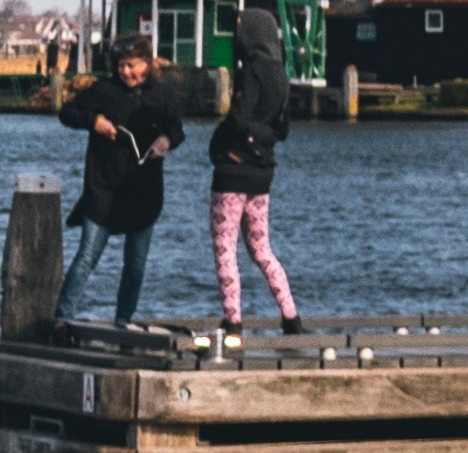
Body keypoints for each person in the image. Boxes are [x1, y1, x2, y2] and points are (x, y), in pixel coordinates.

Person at [56, 29, 185, 329]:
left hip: (144, 191)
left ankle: (123, 322)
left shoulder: (161, 96)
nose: (126, 72)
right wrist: (94, 122)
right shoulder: (103, 91)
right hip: (104, 188)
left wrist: (166, 140)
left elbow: (177, 128)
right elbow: (66, 112)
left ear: (148, 63)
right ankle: (62, 318)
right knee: (87, 257)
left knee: (136, 264)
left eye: (132, 65)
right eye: (121, 66)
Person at [208, 34, 300, 330]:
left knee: (225, 247)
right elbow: (282, 129)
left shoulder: (250, 72)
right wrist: (261, 142)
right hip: (262, 175)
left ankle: (232, 320)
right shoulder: (281, 77)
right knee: (262, 250)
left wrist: (218, 143)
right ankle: (290, 316)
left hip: (232, 174)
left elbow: (238, 117)